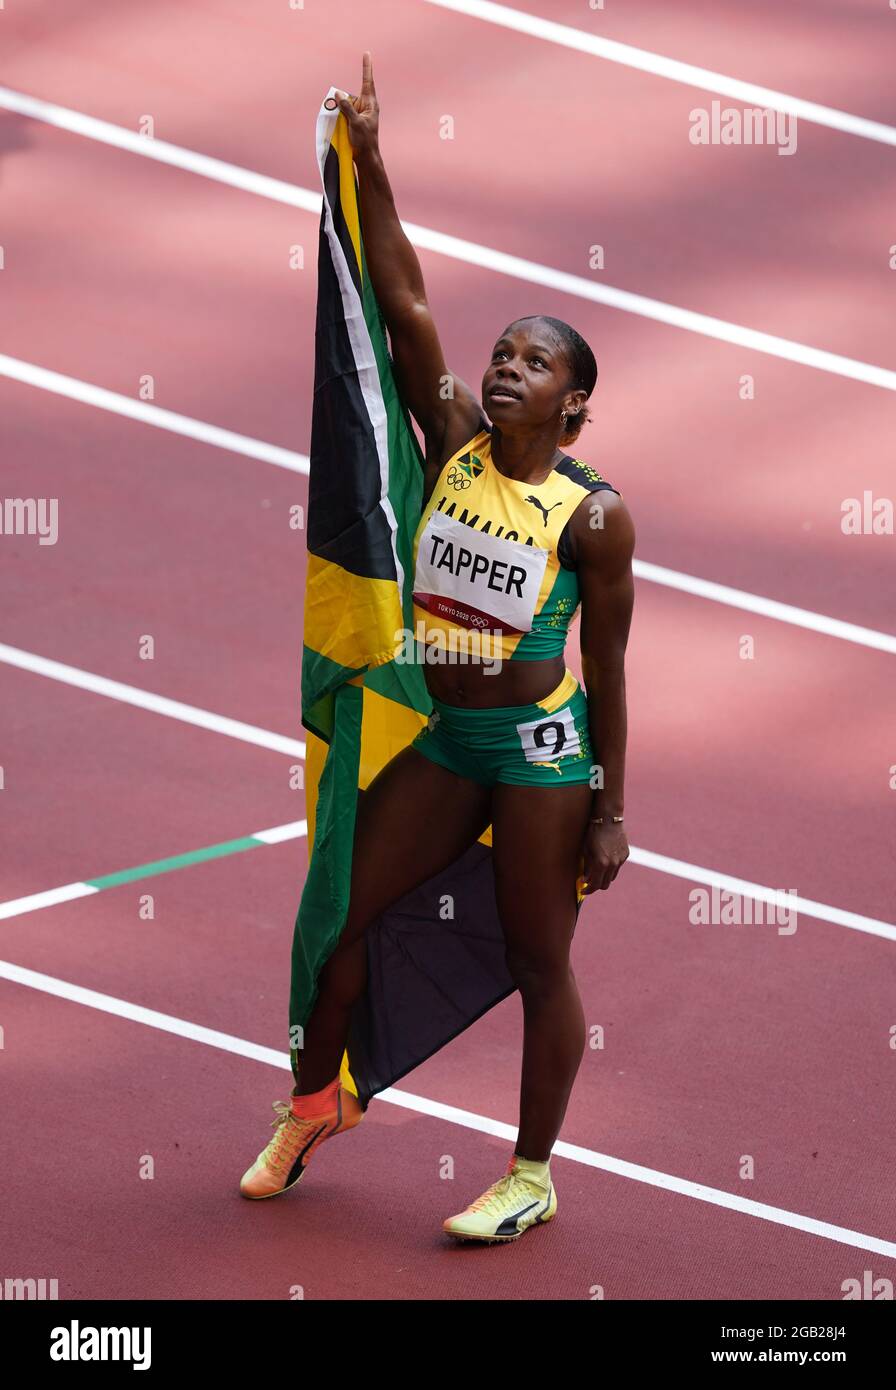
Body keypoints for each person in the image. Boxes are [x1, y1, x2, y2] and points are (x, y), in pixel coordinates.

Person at [240, 52, 635, 1244]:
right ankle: (316, 1101)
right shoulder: (455, 438)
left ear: (572, 407)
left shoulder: (593, 516)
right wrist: (368, 161)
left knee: (534, 955)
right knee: (338, 911)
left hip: (538, 755)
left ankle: (528, 1172)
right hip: (450, 739)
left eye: (535, 363)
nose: (506, 368)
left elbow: (610, 670)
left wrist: (608, 806)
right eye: (504, 352)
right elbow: (406, 304)